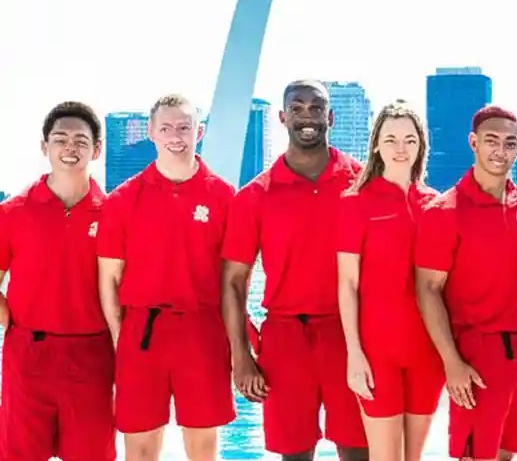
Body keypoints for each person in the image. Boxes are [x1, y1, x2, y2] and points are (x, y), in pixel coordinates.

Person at [221, 80, 369, 461]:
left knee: (359, 450)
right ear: (283, 117)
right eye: (298, 108)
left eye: (317, 108)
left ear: (330, 117)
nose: (308, 117)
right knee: (294, 454)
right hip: (286, 339)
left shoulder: (362, 183)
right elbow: (234, 282)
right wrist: (241, 357)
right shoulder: (255, 196)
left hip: (350, 336)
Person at [97, 94, 237, 461]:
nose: (176, 136)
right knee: (140, 447)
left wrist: (236, 340)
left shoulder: (224, 197)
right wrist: (120, 337)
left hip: (203, 328)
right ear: (151, 133)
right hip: (143, 333)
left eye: (184, 128)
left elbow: (232, 278)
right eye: (166, 128)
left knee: (203, 447)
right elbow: (109, 279)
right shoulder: (123, 199)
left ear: (199, 132)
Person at [414, 105, 517, 461]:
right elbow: (428, 290)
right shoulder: (444, 212)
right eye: (491, 141)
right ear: (473, 142)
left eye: (510, 143)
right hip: (475, 353)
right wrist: (452, 362)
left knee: (507, 454)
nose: (500, 151)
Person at [0, 102, 115, 461]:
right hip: (29, 355)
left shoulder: (114, 213)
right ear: (44, 146)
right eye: (60, 139)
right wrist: (13, 322)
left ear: (96, 149)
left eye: (81, 140)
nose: (70, 147)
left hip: (93, 358)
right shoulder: (13, 212)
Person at [337, 101, 446, 461]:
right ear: (376, 145)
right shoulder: (355, 203)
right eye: (391, 139)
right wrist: (354, 353)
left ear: (421, 147)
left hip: (426, 351)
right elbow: (348, 285)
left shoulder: (437, 206)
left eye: (410, 140)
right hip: (377, 350)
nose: (401, 149)